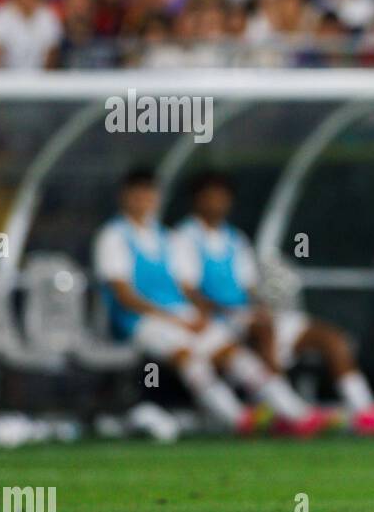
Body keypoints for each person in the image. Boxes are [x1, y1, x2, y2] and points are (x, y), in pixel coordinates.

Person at [169, 170, 374, 435]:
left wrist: (265, 302)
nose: (217, 203)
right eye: (210, 197)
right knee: (264, 330)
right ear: (197, 200)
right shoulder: (183, 238)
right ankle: (286, 411)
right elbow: (186, 289)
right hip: (220, 321)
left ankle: (364, 411)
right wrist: (234, 311)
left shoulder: (235, 240)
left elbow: (249, 288)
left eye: (222, 197)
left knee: (332, 340)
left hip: (249, 315)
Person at [94, 168, 323, 436]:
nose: (145, 200)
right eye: (138, 194)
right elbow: (124, 294)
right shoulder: (113, 236)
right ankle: (238, 419)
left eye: (150, 194)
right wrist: (174, 318)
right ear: (125, 197)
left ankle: (295, 414)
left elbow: (184, 286)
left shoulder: (167, 238)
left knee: (236, 356)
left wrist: (197, 315)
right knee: (188, 357)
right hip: (138, 322)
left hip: (180, 316)